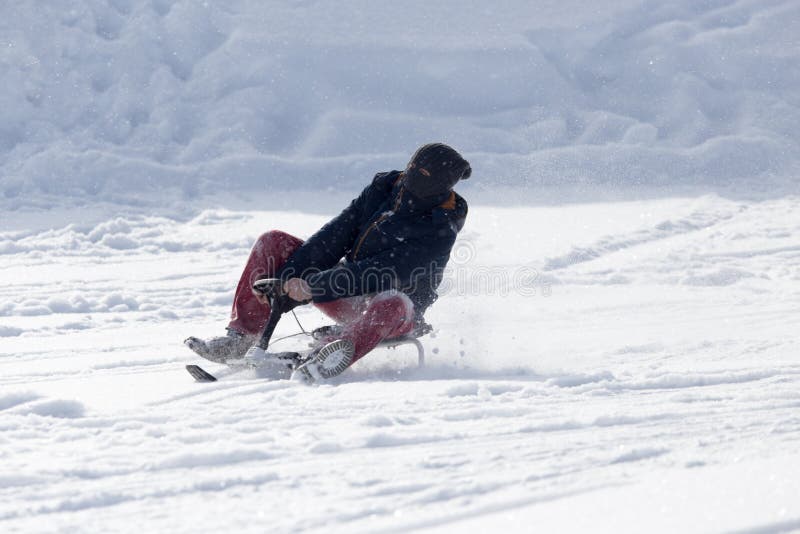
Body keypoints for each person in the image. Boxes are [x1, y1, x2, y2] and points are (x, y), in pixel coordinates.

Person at [185, 143, 470, 382]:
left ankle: (325, 357)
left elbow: (381, 272)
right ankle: (241, 338)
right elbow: (334, 238)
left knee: (391, 301)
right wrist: (287, 279)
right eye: (411, 168)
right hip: (347, 294)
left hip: (396, 312)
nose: (409, 177)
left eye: (421, 174)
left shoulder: (439, 227)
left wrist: (312, 286)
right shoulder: (385, 188)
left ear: (438, 186)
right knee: (273, 242)